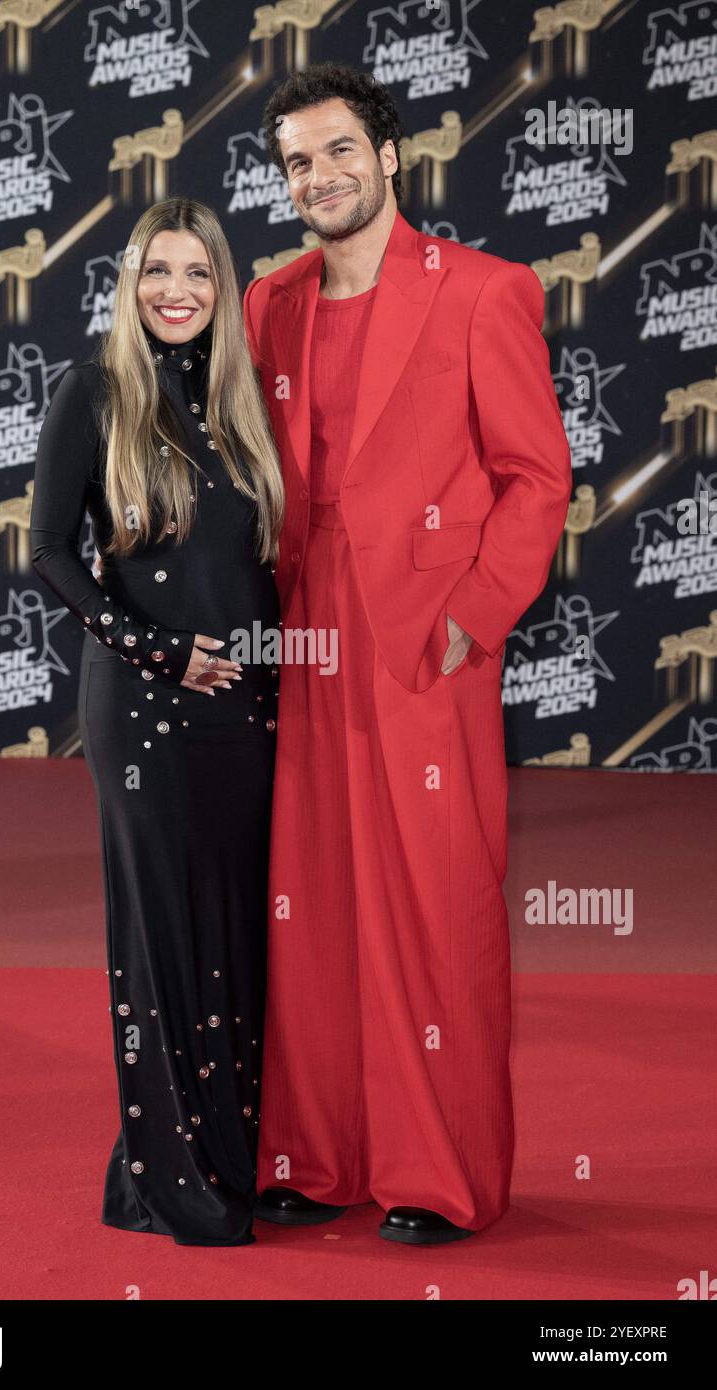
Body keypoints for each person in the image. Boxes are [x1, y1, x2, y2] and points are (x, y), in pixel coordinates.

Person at [243, 63, 572, 1244]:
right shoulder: (265, 300)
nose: (318, 176)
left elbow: (536, 479)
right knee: (306, 904)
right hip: (300, 634)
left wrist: (469, 615)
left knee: (432, 905)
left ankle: (437, 1174)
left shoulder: (483, 292)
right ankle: (310, 1153)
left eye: (338, 151)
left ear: (387, 155)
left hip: (422, 644)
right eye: (295, 161)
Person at [30, 198, 283, 1246]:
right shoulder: (91, 392)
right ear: (128, 286)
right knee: (161, 938)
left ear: (221, 289)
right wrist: (159, 653)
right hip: (143, 707)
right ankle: (165, 1174)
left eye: (197, 273)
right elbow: (49, 554)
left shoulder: (243, 404)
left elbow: (260, 567)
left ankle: (230, 1154)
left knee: (234, 931)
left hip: (250, 711)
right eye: (154, 272)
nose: (175, 291)